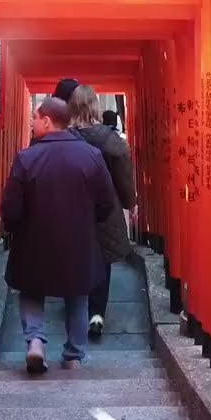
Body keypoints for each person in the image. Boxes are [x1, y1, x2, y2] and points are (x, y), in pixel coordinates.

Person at [1, 97, 116, 372]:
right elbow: (106, 202)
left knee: (30, 291)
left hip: (33, 240)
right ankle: (74, 355)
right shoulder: (91, 156)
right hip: (79, 240)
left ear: (47, 121)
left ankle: (36, 341)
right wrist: (90, 223)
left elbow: (11, 206)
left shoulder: (27, 157)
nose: (32, 122)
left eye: (34, 117)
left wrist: (13, 227)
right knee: (77, 295)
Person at [68, 85, 137, 339]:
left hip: (71, 211)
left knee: (74, 260)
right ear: (95, 106)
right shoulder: (110, 140)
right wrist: (130, 202)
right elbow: (124, 177)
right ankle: (97, 314)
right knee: (102, 261)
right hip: (105, 210)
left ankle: (76, 310)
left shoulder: (65, 138)